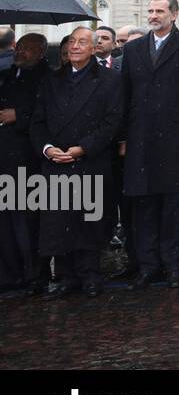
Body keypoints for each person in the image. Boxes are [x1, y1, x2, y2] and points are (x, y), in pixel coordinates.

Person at [118, 0, 179, 290]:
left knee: (174, 208)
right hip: (141, 139)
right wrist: (123, 137)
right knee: (144, 206)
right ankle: (148, 266)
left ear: (173, 14)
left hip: (176, 140)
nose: (153, 16)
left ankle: (173, 268)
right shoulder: (132, 50)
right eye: (150, 11)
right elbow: (125, 95)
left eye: (159, 11)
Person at [31, 27, 124, 298]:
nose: (75, 47)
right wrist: (48, 149)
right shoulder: (51, 80)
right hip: (55, 161)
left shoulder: (110, 80)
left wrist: (83, 147)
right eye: (72, 42)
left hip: (89, 161)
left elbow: (113, 121)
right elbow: (37, 121)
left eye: (82, 42)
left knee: (88, 221)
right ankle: (65, 276)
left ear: (94, 48)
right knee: (58, 222)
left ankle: (90, 275)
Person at [0, 34, 49, 294]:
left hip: (28, 160)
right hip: (5, 158)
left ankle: (34, 275)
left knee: (28, 221)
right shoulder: (9, 74)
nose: (22, 53)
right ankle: (11, 274)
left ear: (41, 52)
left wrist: (19, 115)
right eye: (20, 47)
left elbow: (48, 111)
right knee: (7, 221)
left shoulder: (47, 77)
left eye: (29, 49)